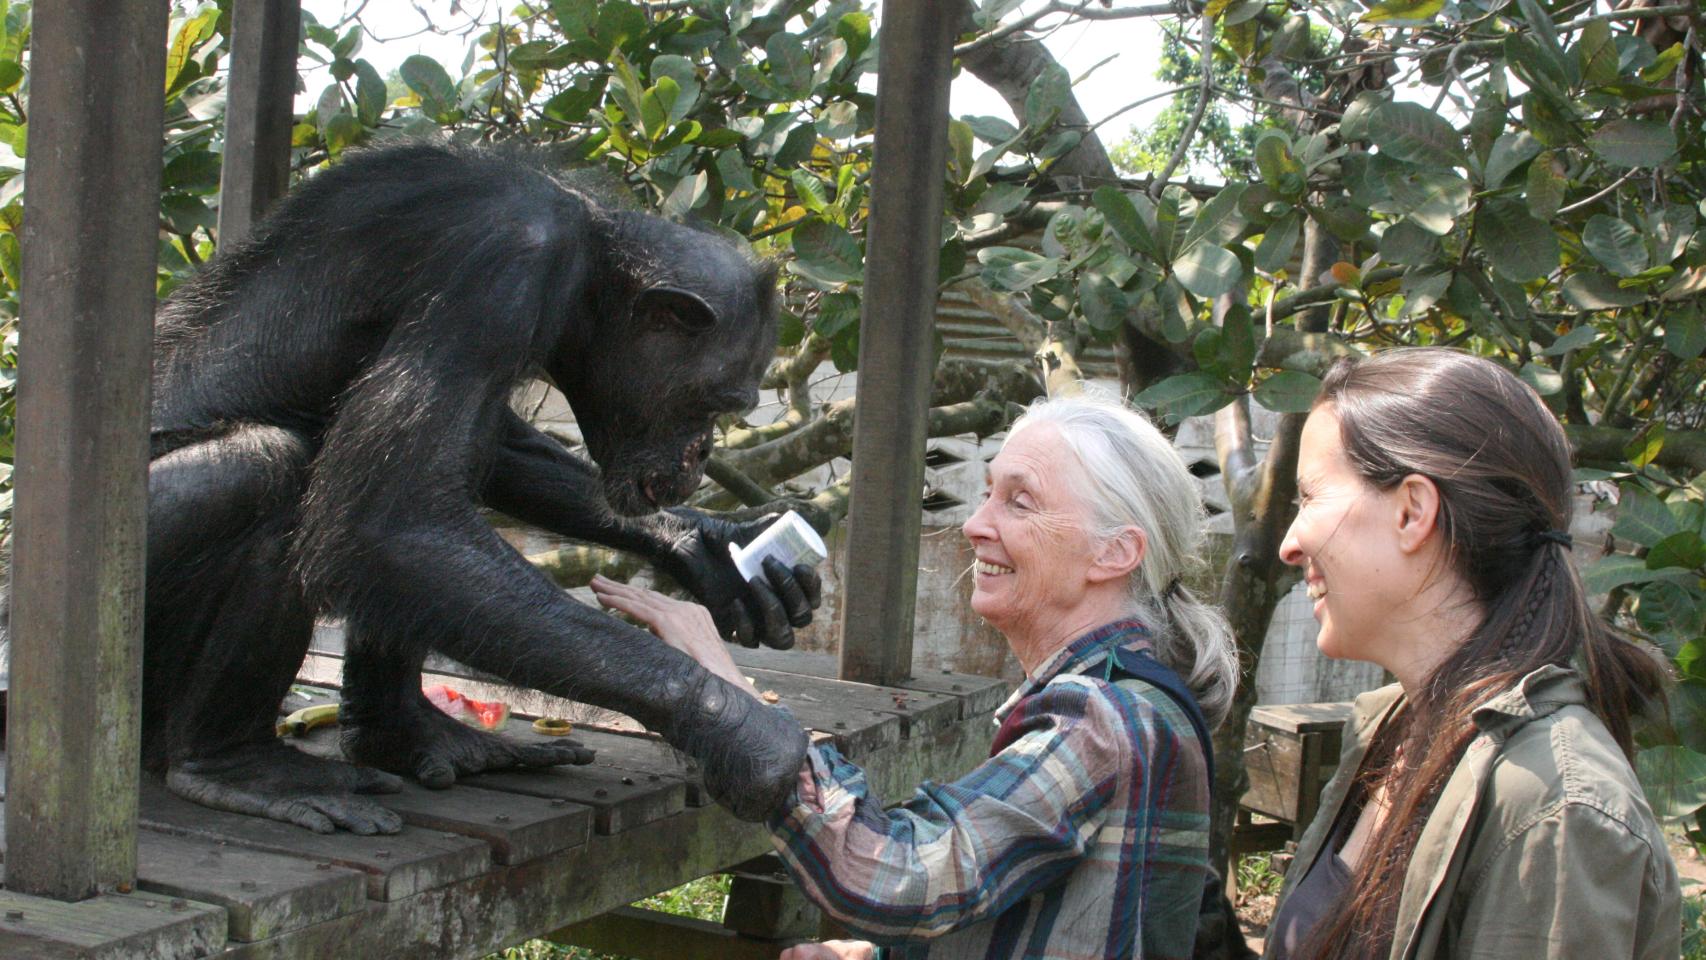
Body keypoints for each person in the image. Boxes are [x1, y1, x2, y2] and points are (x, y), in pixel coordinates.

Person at [591, 394, 1240, 960]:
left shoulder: (1105, 718)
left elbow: (894, 877)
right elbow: (1053, 917)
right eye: (987, 494)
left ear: (1114, 551)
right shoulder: (1122, 703)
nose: (975, 524)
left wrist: (724, 691)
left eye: (1020, 502)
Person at [1266, 348, 1680, 960]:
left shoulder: (1555, 803)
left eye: (1310, 498)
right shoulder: (1392, 729)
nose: (1288, 544)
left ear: (1412, 511)